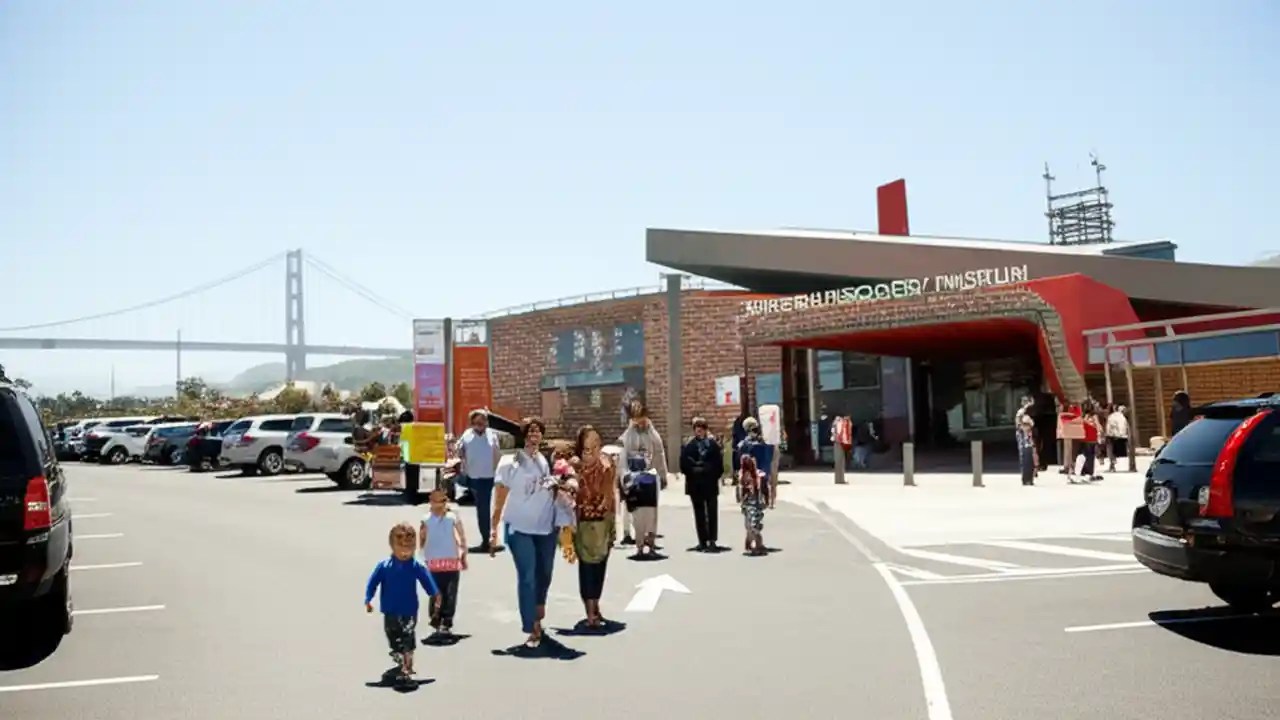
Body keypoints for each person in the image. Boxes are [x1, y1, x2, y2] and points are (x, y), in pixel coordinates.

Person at [491, 417, 576, 649]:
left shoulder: (544, 461)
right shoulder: (511, 461)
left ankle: (538, 607)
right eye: (530, 431)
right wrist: (493, 529)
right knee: (527, 576)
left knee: (544, 574)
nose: (534, 434)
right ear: (523, 435)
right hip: (519, 528)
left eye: (538, 431)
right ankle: (532, 626)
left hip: (545, 527)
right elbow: (500, 496)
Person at [364, 522, 440, 688]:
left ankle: (407, 667)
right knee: (392, 635)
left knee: (407, 635)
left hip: (409, 609)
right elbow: (373, 583)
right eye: (401, 548)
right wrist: (368, 599)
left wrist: (435, 595)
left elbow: (427, 581)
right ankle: (398, 654)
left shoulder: (416, 567)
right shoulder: (384, 567)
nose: (406, 552)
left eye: (410, 548)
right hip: (390, 609)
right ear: (392, 546)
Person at [568, 425, 616, 628]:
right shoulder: (574, 467)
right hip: (585, 522)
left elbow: (610, 494)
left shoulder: (606, 464)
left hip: (604, 520)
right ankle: (590, 610)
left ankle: (595, 607)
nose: (594, 452)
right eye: (588, 448)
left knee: (601, 564)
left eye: (597, 445)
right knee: (587, 566)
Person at [616, 401, 668, 548]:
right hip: (632, 475)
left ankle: (649, 536)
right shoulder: (628, 435)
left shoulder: (653, 434)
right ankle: (628, 533)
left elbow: (659, 454)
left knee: (650, 509)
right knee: (630, 506)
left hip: (649, 477)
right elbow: (623, 453)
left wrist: (662, 475)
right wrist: (623, 475)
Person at [419, 489, 467, 636]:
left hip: (450, 559)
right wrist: (422, 554)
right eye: (435, 501)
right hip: (434, 561)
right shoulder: (426, 519)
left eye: (441, 501)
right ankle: (436, 616)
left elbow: (461, 534)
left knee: (449, 591)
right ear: (430, 502)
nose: (438, 505)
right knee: (437, 591)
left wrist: (463, 551)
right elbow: (422, 538)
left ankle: (446, 619)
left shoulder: (452, 517)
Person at [457, 409, 503, 552]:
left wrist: (500, 473)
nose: (480, 425)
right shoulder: (467, 436)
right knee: (482, 508)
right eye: (477, 422)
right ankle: (487, 540)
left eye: (483, 421)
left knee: (486, 508)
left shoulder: (492, 435)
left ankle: (488, 540)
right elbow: (459, 451)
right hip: (474, 477)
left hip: (489, 476)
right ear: (472, 423)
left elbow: (497, 455)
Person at [680, 417, 725, 551]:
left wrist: (708, 471)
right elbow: (684, 465)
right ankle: (702, 540)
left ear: (705, 430)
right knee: (699, 513)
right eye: (696, 429)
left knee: (711, 512)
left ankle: (712, 539)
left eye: (701, 429)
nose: (699, 432)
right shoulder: (689, 446)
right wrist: (695, 470)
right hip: (695, 485)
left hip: (710, 483)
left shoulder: (712, 446)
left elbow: (719, 466)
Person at [736, 418, 774, 504]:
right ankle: (746, 496)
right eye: (751, 428)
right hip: (749, 469)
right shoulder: (744, 442)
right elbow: (739, 452)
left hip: (760, 468)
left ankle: (765, 498)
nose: (753, 430)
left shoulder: (761, 441)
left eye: (754, 427)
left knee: (763, 479)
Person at [737, 454, 767, 555]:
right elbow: (739, 492)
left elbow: (763, 489)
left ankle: (758, 546)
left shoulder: (758, 475)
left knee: (753, 526)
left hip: (755, 504)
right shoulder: (742, 475)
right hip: (748, 504)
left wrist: (765, 501)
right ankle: (750, 543)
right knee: (750, 526)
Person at [1106, 405, 1130, 472]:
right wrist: (1123, 435)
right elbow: (1122, 427)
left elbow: (1108, 426)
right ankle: (1113, 465)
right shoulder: (1121, 417)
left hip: (1111, 435)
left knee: (1111, 451)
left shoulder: (1111, 416)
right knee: (1115, 451)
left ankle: (1112, 465)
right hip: (1118, 436)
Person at [1016, 413, 1036, 486]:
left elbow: (1034, 442)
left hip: (1030, 451)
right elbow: (1020, 442)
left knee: (1031, 465)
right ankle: (1025, 479)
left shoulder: (1031, 433)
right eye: (1024, 425)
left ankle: (1030, 480)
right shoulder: (1020, 433)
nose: (1026, 427)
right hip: (1024, 450)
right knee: (1024, 465)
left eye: (1027, 425)